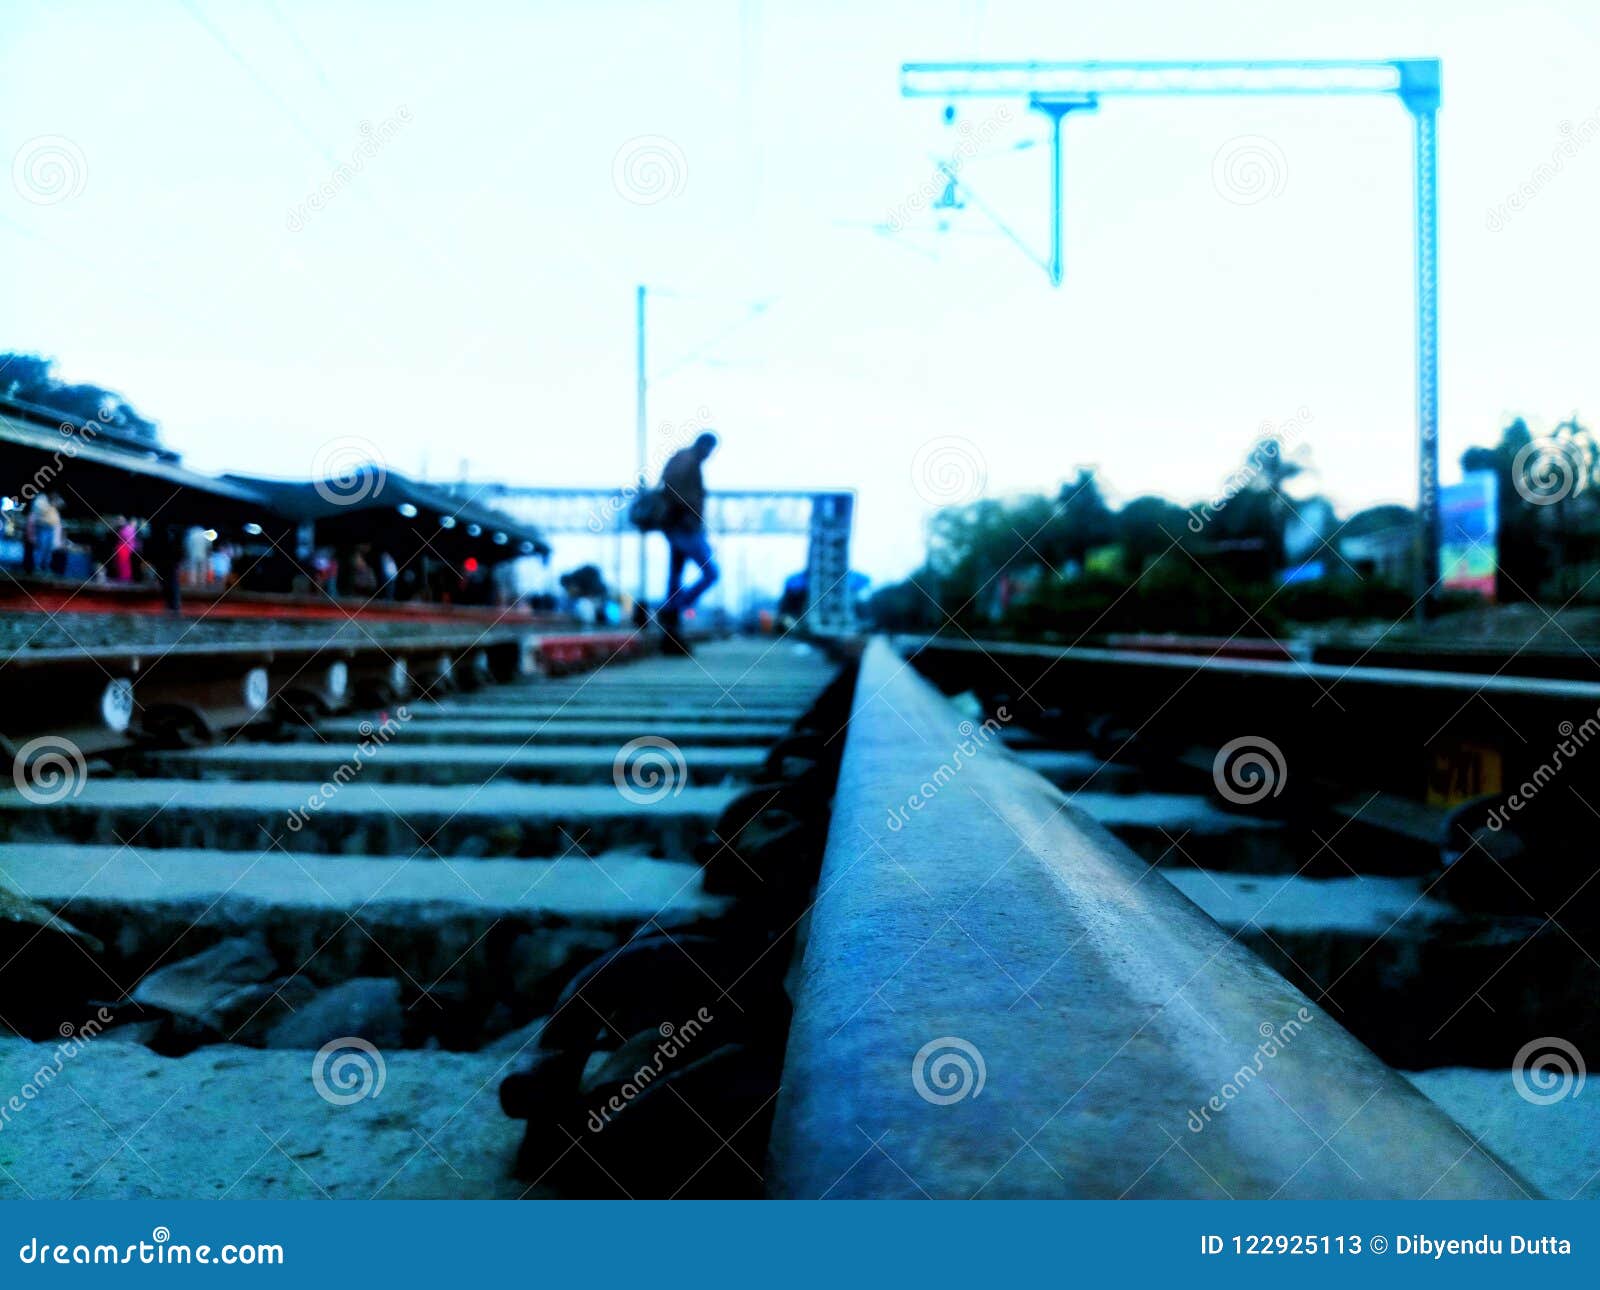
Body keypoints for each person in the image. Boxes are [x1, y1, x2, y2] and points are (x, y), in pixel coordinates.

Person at [654, 431, 720, 655]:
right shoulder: (687, 461)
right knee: (711, 572)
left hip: (679, 526)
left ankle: (672, 621)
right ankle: (674, 608)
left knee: (675, 576)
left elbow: (669, 483)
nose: (709, 456)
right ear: (704, 445)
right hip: (684, 527)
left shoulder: (685, 459)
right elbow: (671, 486)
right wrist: (688, 508)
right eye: (709, 450)